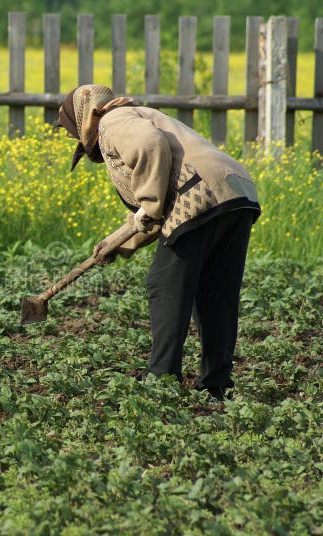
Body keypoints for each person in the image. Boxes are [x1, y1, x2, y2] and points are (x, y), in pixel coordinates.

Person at [57, 84, 261, 400]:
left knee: (164, 284)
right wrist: (118, 243)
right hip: (235, 193)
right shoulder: (140, 114)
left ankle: (162, 377)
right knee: (215, 292)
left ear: (84, 116)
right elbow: (157, 215)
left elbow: (150, 147)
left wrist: (149, 203)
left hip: (201, 196)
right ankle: (216, 383)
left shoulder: (112, 120)